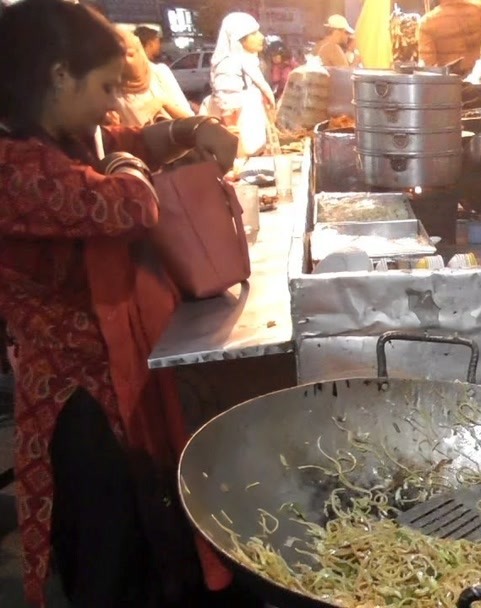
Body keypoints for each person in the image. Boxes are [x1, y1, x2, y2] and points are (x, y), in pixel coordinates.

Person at [0, 0, 256, 606]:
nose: (114, 103)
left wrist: (189, 130)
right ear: (59, 75)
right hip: (74, 392)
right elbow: (128, 204)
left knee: (149, 522)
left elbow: (128, 139)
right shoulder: (14, 167)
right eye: (106, 87)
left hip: (121, 368)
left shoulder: (61, 138)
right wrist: (133, 164)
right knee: (107, 538)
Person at [206, 12, 275, 155]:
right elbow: (229, 116)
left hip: (253, 148)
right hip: (240, 154)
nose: (261, 37)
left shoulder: (248, 63)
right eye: (254, 33)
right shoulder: (228, 65)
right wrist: (237, 158)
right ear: (239, 38)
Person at [113, 27, 193, 127]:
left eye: (130, 54)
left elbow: (191, 120)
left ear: (139, 52)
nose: (125, 61)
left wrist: (163, 103)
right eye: (117, 56)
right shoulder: (113, 90)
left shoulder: (159, 73)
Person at [417, 0, 481, 75]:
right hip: (477, 83)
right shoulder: (480, 11)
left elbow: (428, 71)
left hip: (449, 89)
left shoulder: (427, 23)